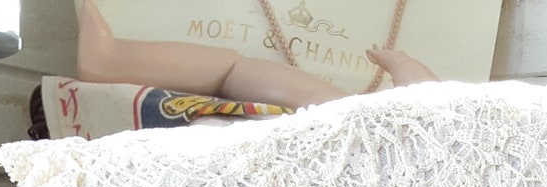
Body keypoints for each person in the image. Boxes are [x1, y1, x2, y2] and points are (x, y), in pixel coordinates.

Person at [75, 0, 438, 109]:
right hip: (352, 115)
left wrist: (403, 65)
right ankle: (110, 58)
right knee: (234, 70)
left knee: (234, 70)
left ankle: (111, 59)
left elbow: (437, 103)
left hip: (345, 116)